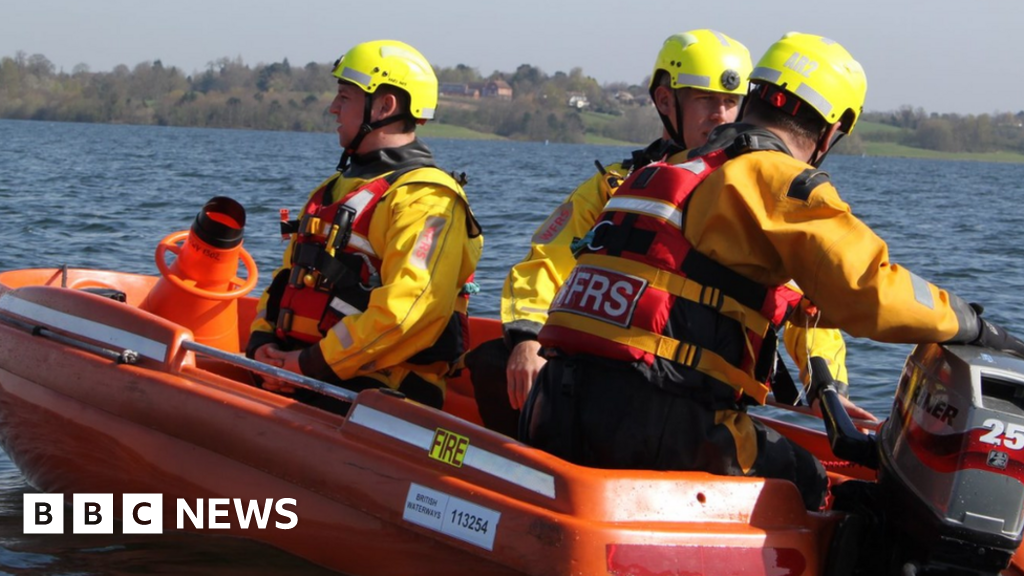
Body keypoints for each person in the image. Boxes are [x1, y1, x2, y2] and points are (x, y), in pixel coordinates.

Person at [519, 32, 1024, 511]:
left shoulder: (663, 173)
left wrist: (827, 383)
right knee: (815, 486)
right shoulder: (775, 176)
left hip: (557, 403)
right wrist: (973, 324)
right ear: (831, 130)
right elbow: (869, 289)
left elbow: (718, 291)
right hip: (661, 421)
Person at [468, 29, 852, 436]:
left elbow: (802, 305)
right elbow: (547, 261)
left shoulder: (752, 197)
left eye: (730, 102)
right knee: (494, 363)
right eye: (705, 100)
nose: (720, 115)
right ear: (667, 101)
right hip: (610, 375)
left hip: (695, 395)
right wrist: (527, 337)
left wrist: (826, 385)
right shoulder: (615, 188)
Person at [247, 39, 483, 412]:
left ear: (385, 106)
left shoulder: (427, 199)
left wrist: (310, 365)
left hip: (378, 392)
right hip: (301, 372)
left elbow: (410, 310)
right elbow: (285, 278)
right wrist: (262, 345)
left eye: (344, 97)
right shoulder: (331, 191)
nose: (332, 108)